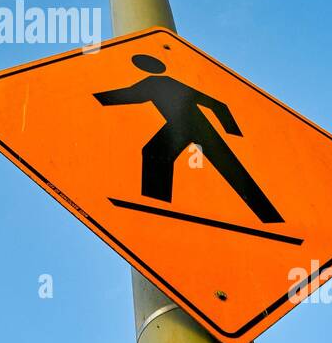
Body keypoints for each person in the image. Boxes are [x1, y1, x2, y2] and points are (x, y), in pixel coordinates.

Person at [94, 53, 283, 223]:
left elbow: (218, 105)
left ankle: (270, 217)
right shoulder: (154, 83)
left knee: (230, 168)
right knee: (157, 151)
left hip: (196, 126)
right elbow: (129, 95)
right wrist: (96, 97)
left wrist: (233, 133)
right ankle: (157, 203)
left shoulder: (161, 82)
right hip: (181, 125)